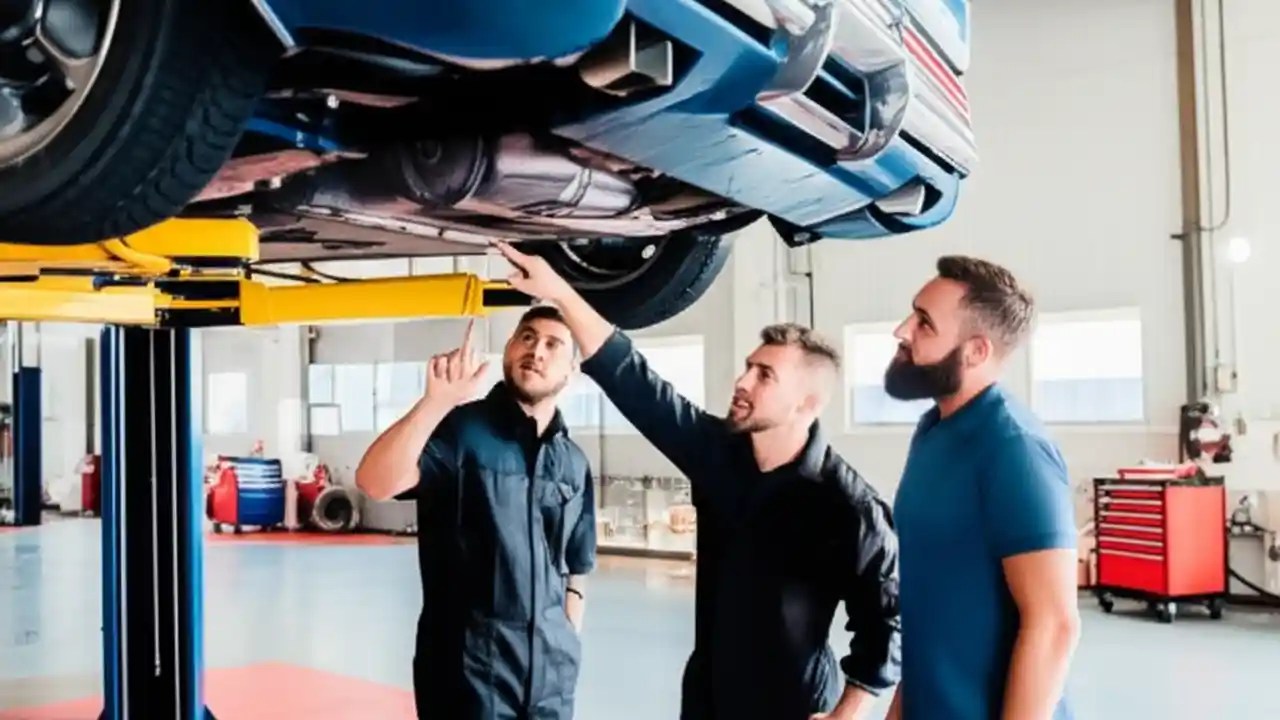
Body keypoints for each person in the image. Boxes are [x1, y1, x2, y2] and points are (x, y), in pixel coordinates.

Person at [494, 241, 901, 720]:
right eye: (748, 367)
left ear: (806, 405)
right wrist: (561, 292)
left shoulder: (847, 505)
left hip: (792, 707)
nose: (742, 381)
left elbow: (886, 621)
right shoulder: (716, 455)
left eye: (764, 375)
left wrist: (847, 714)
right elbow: (634, 380)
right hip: (708, 700)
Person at [355, 309, 597, 720]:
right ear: (508, 348)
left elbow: (577, 561)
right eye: (527, 336)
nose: (536, 350)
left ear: (572, 369)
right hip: (469, 674)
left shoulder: (572, 462)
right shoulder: (463, 432)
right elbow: (375, 482)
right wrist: (434, 403)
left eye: (553, 344)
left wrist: (567, 634)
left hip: (550, 679)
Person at [882, 256, 1081, 720]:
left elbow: (1053, 625)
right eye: (913, 313)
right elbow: (932, 609)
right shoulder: (933, 431)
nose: (902, 330)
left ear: (975, 351)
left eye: (924, 323)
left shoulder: (1015, 448)